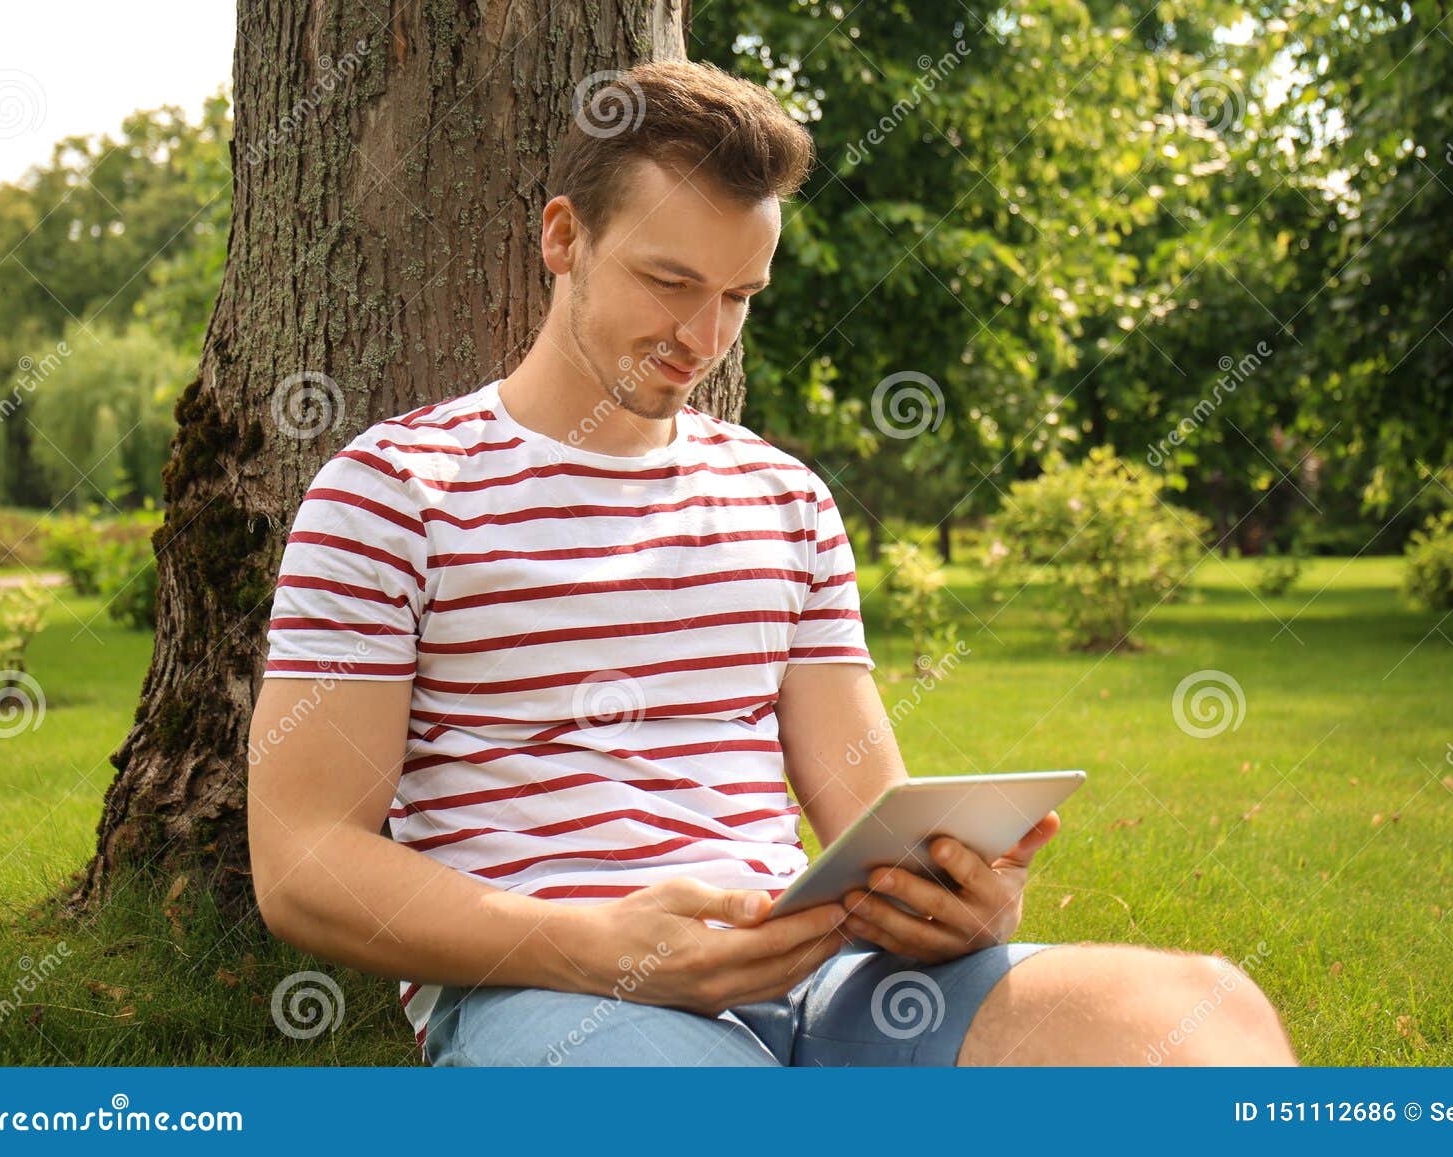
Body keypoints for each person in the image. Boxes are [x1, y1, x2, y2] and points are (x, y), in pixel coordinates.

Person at [246, 59, 1296, 1067]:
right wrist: (604, 947)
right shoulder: (392, 492)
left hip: (821, 976)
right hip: (565, 998)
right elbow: (300, 861)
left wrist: (957, 902)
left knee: (1205, 1011)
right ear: (562, 236)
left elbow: (870, 811)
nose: (702, 335)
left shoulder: (784, 498)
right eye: (669, 281)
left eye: (739, 295)